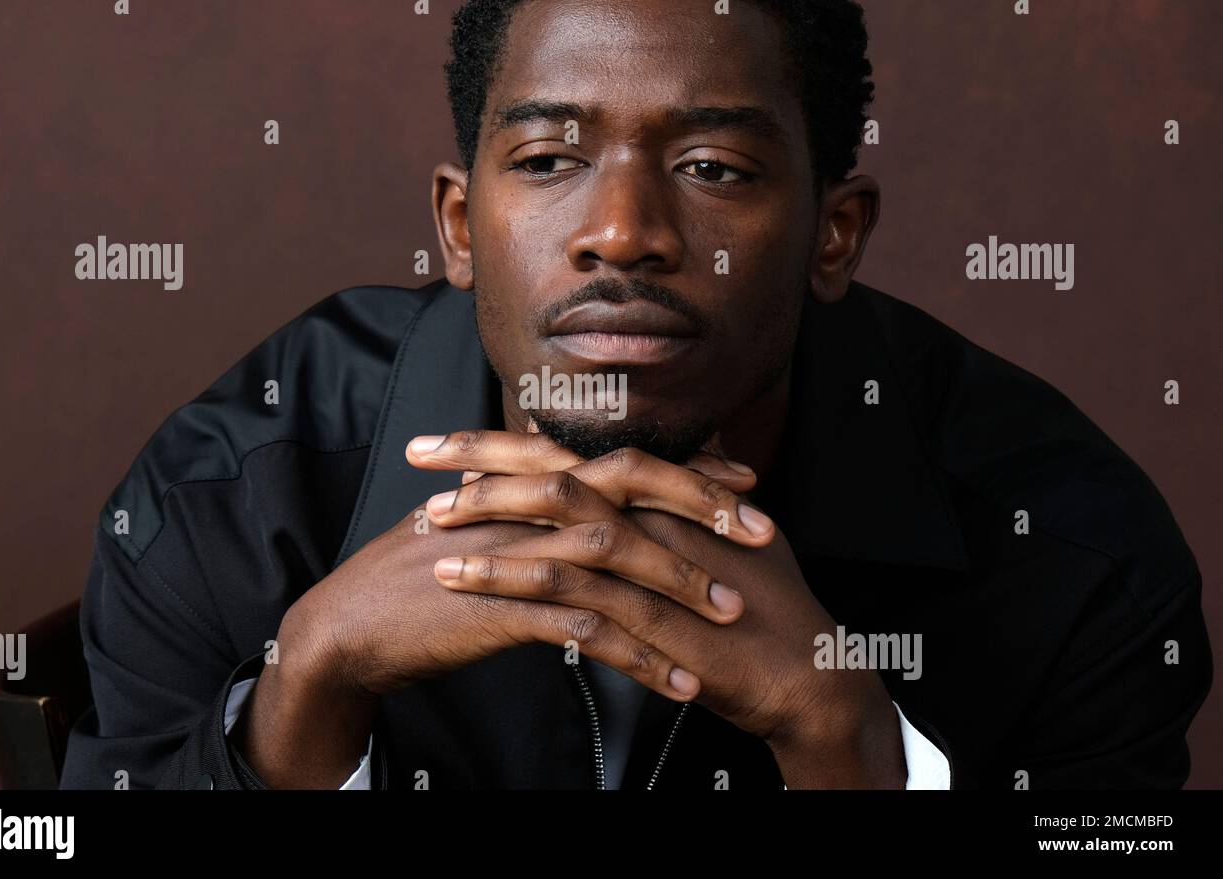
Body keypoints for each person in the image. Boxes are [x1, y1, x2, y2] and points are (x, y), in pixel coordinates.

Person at [59, 0, 1211, 790]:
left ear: (833, 232)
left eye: (712, 169)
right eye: (551, 159)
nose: (622, 234)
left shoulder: (1068, 559)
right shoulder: (226, 496)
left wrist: (852, 744)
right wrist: (302, 693)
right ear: (461, 224)